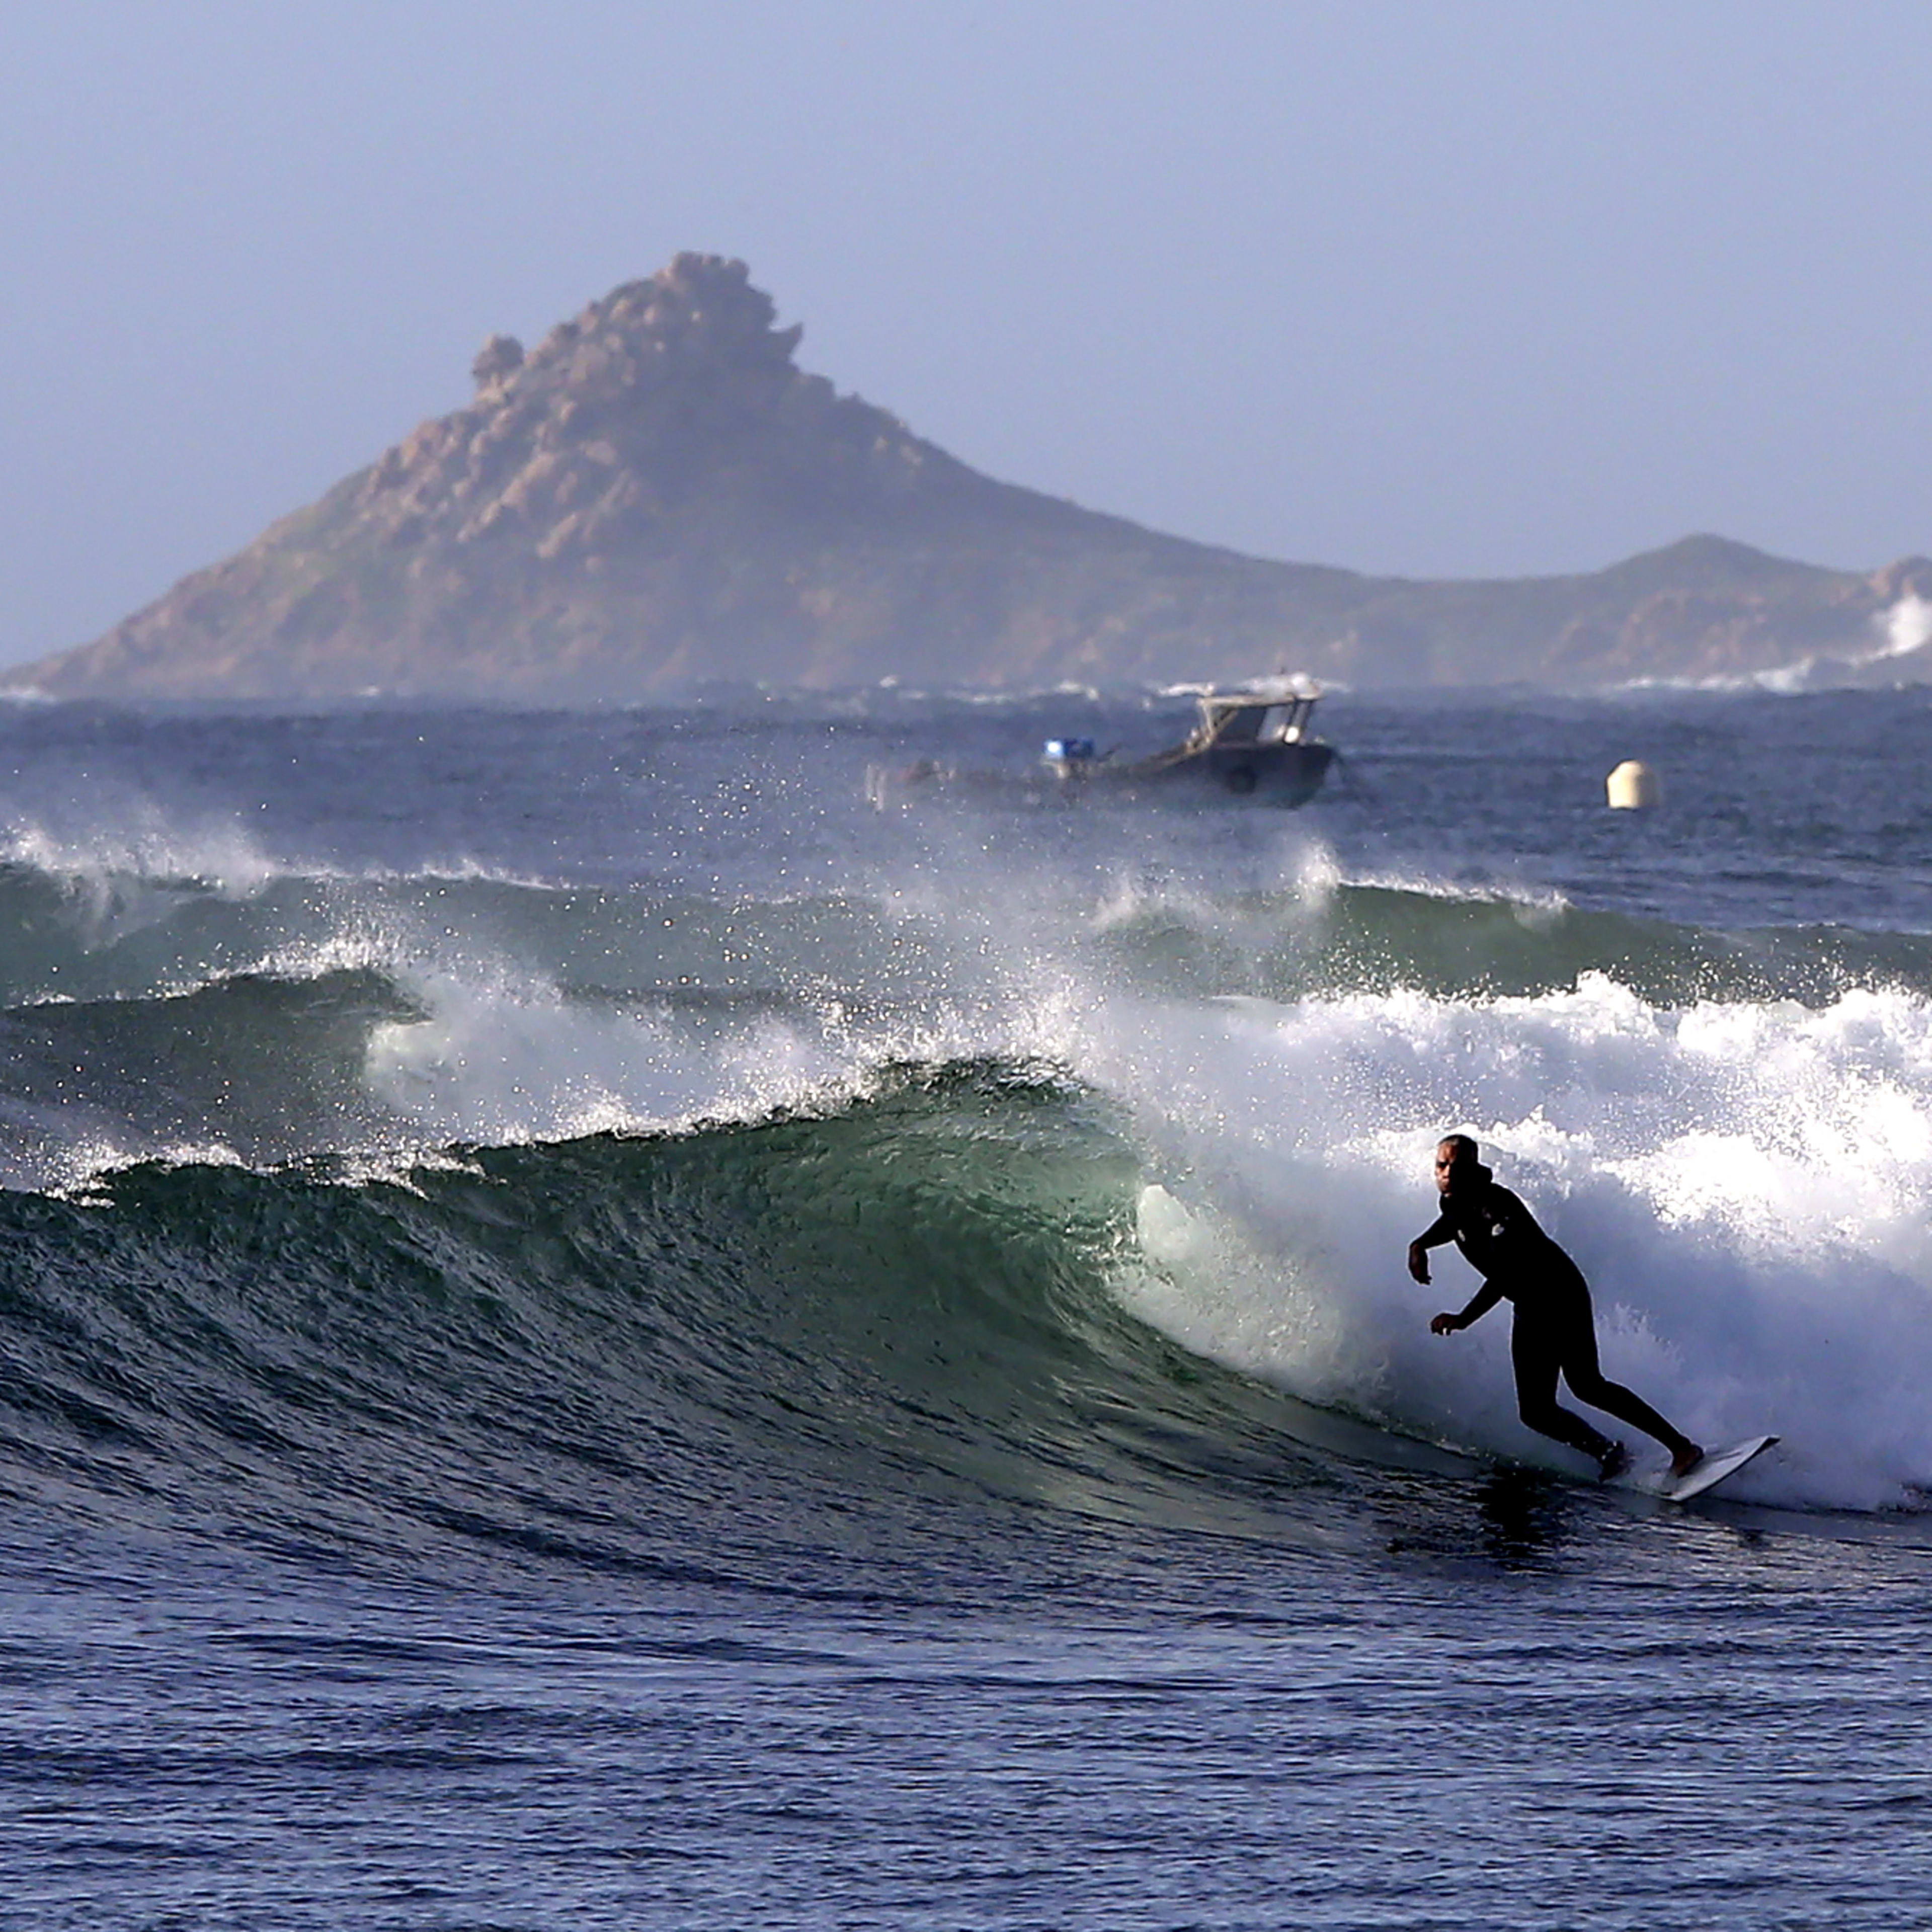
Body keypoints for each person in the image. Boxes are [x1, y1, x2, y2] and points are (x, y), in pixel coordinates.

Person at [1408, 1134, 1703, 1482]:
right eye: (1441, 1166)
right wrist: (1420, 1245)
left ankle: (1682, 1447)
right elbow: (1452, 1223)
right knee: (1536, 1413)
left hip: (1561, 1294)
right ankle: (1610, 1453)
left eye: (1457, 1167)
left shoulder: (1497, 1208)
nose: (1447, 1174)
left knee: (1588, 1385)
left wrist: (1462, 1319)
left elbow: (1505, 1275)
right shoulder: (1454, 1200)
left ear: (1474, 1169)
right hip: (1530, 1306)